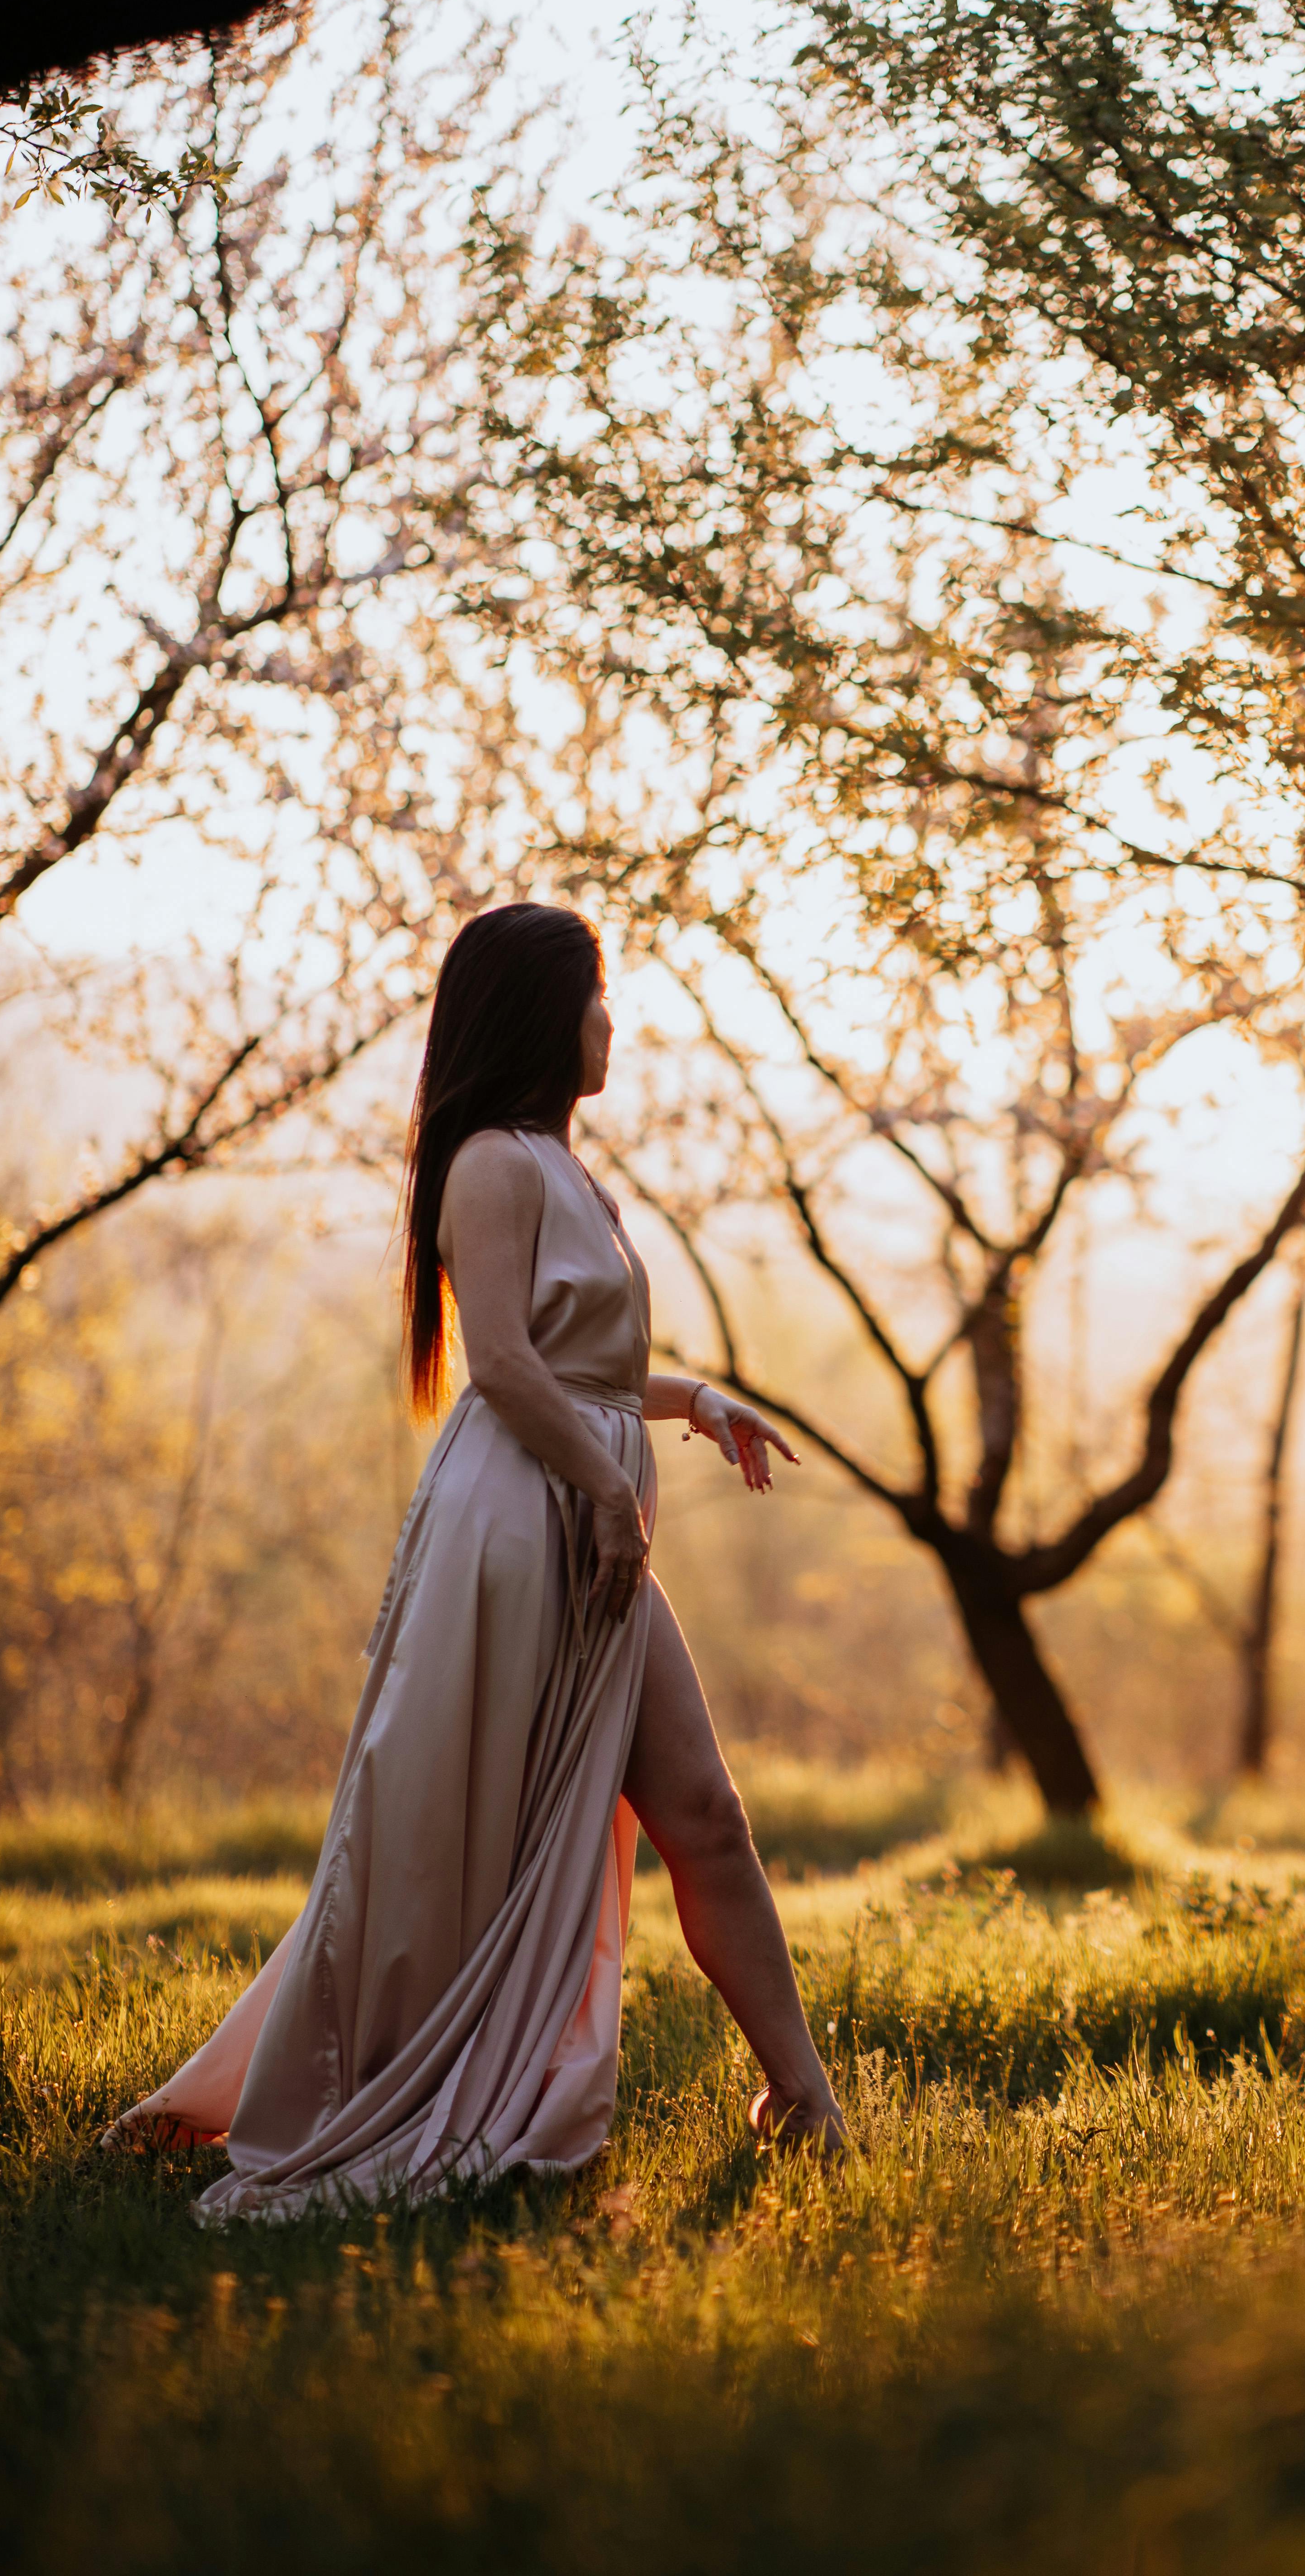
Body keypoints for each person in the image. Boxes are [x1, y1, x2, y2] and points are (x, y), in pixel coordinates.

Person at [106, 901, 844, 2220]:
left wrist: (692, 1400)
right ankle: (372, 2082)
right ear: (543, 1014)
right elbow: (499, 1361)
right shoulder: (493, 1165)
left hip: (587, 1513)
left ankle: (805, 2099)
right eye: (597, 997)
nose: (612, 1023)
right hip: (523, 1526)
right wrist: (608, 1494)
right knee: (469, 1835)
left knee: (705, 1816)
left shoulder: (565, 1168)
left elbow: (578, 1365)